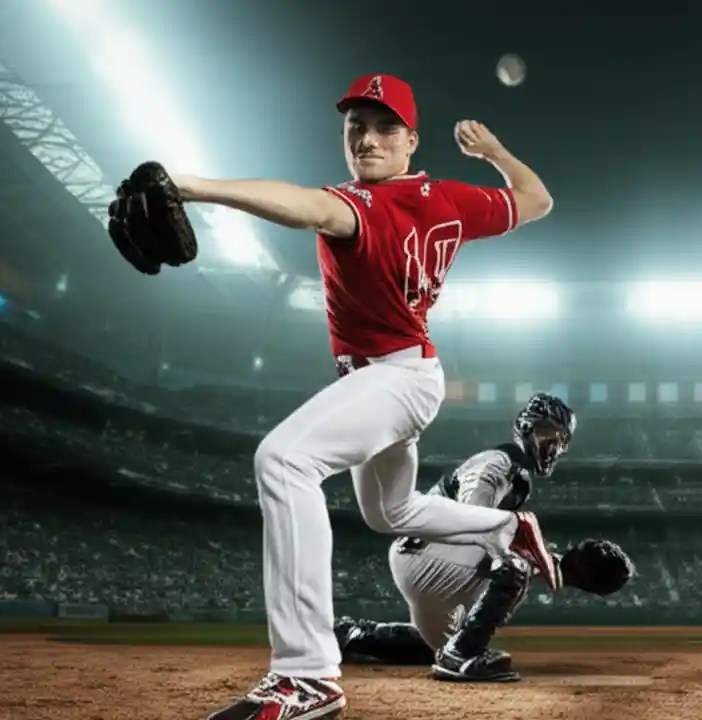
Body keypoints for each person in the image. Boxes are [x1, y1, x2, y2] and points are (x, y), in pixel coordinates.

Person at [170, 73, 561, 720]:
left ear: (411, 141)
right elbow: (537, 199)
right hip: (388, 378)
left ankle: (306, 677)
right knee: (393, 513)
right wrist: (493, 154)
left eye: (384, 127)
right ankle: (506, 526)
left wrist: (189, 186)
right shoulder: (452, 199)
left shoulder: (361, 204)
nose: (367, 138)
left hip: (397, 377)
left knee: (283, 461)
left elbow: (302, 204)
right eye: (356, 126)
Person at [333, 394, 634, 683]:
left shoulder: (516, 475)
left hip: (434, 561)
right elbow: (468, 521)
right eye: (548, 432)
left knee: (436, 647)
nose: (555, 444)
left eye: (562, 439)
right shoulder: (500, 463)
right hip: (427, 553)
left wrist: (568, 568)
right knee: (514, 560)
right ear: (526, 428)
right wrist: (551, 561)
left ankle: (349, 635)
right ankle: (464, 655)